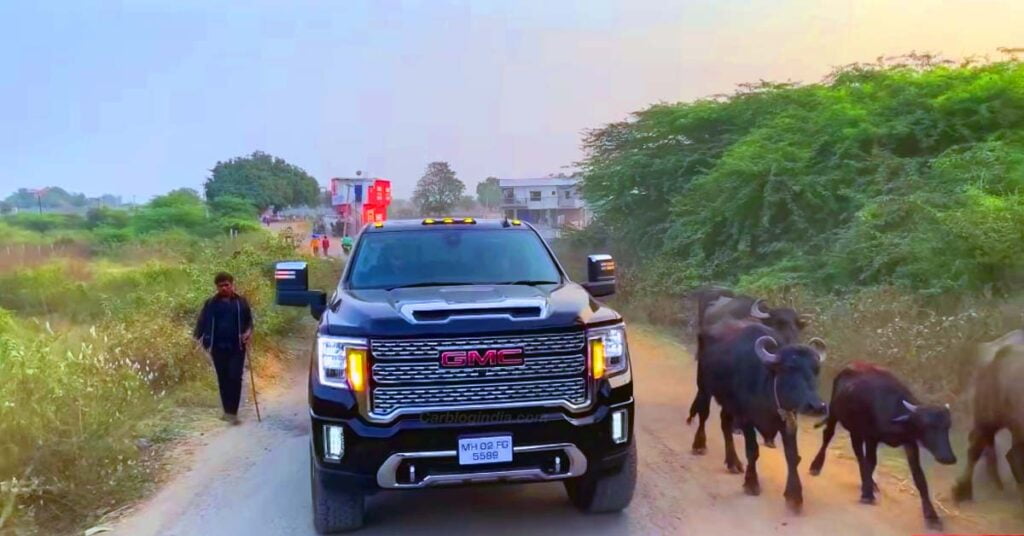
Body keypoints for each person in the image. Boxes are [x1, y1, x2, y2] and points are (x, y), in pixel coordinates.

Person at [193, 272, 253, 425]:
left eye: (227, 285)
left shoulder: (241, 302)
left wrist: (247, 333)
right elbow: (201, 322)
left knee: (235, 377)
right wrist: (196, 339)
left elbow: (249, 322)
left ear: (232, 284)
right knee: (223, 378)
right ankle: (227, 412)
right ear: (217, 287)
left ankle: (233, 413)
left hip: (237, 346)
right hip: (217, 347)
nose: (224, 288)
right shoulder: (210, 304)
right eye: (221, 286)